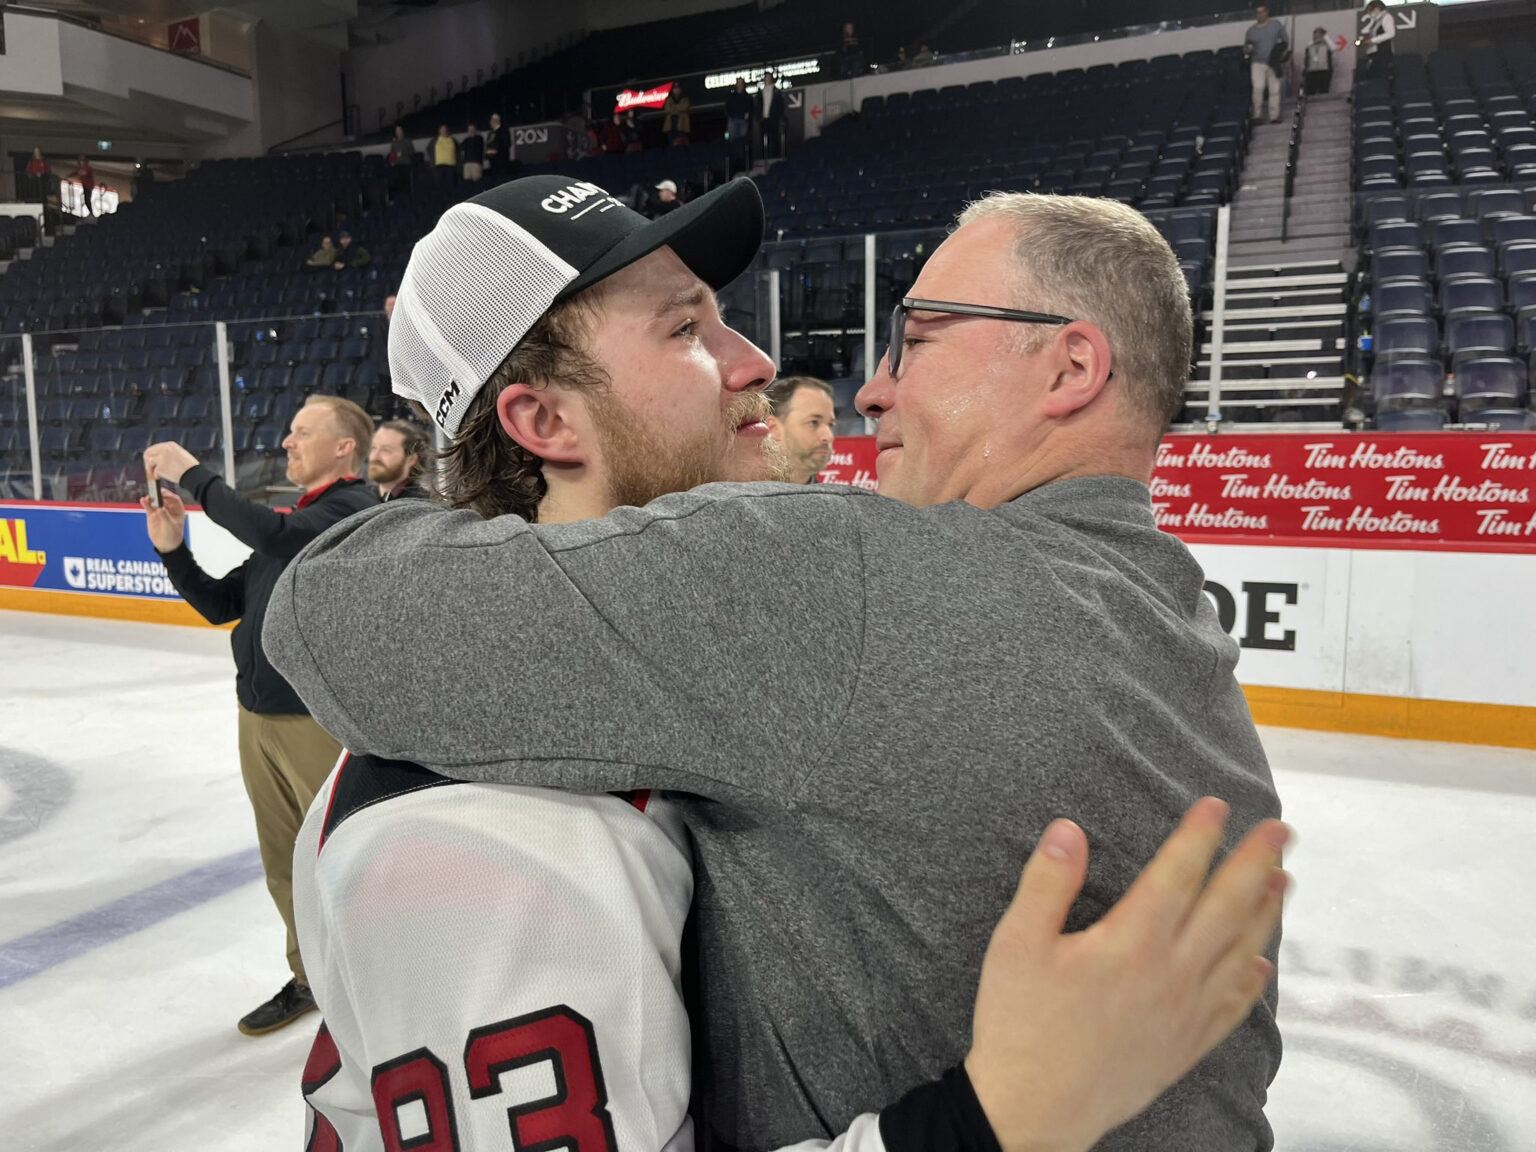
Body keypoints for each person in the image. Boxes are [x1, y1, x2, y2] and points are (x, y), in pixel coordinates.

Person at [267, 176, 1286, 1152]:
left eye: (918, 340)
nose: (859, 386)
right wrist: (980, 1125)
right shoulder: (1172, 617)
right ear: (543, 420)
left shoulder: (841, 581)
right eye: (686, 329)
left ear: (1070, 369)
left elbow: (318, 606)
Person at [141, 396, 378, 1035]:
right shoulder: (298, 520)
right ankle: (310, 977)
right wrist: (173, 549)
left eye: (304, 432)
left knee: (346, 858)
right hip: (259, 719)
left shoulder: (351, 511)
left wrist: (195, 476)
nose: (287, 442)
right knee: (284, 861)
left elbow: (272, 534)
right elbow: (223, 604)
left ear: (343, 448)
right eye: (290, 430)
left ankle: (382, 981)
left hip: (316, 723)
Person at [766, 374, 836, 483]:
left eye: (830, 425)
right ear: (773, 428)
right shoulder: (740, 496)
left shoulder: (833, 499)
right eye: (813, 422)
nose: (828, 436)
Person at [367, 419, 431, 501]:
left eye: (386, 450)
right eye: (374, 448)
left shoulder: (422, 504)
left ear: (411, 459)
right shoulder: (362, 497)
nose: (375, 457)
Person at [1244, 6, 1288, 124]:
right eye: (1258, 13)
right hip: (1257, 63)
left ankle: (1274, 116)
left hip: (1273, 62)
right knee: (1258, 88)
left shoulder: (1276, 25)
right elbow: (1245, 48)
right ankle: (1257, 115)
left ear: (1267, 12)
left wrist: (1283, 56)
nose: (1260, 15)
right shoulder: (1251, 31)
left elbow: (1285, 41)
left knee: (1274, 90)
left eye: (1262, 12)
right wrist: (1249, 49)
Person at [1359, 0, 1395, 81]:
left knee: (1377, 77)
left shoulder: (1387, 17)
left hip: (1382, 52)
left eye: (1370, 10)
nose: (1369, 13)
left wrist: (1372, 40)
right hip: (1375, 53)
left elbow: (1391, 33)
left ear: (1377, 8)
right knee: (1372, 76)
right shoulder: (1376, 21)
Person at [725, 75, 754, 171]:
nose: (740, 85)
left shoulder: (747, 96)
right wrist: (730, 116)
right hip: (733, 121)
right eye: (739, 83)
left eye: (742, 83)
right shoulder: (731, 95)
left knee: (743, 142)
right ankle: (734, 163)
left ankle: (743, 163)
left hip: (743, 121)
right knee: (733, 142)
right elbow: (726, 107)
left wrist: (747, 115)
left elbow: (751, 108)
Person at [759, 72, 788, 161]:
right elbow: (759, 105)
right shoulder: (761, 92)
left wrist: (778, 115)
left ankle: (775, 155)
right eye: (766, 78)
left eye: (769, 78)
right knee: (763, 138)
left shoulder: (776, 91)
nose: (767, 79)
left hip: (774, 117)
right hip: (764, 118)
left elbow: (781, 105)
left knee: (775, 137)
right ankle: (764, 156)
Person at [1303, 27, 1334, 96]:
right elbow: (1307, 59)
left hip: (1324, 71)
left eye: (1319, 35)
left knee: (1323, 92)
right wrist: (1306, 69)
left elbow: (1333, 49)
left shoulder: (1327, 46)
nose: (1316, 37)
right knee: (1310, 92)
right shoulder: (1309, 46)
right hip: (1311, 72)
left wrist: (1325, 39)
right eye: (1315, 35)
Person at [386, 124, 414, 196]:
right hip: (397, 164)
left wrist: (403, 153)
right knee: (395, 179)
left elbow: (412, 152)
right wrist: (392, 160)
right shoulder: (394, 142)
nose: (398, 132)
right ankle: (397, 196)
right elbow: (391, 153)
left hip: (405, 163)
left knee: (405, 181)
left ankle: (407, 196)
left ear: (402, 131)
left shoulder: (407, 141)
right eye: (397, 131)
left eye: (399, 130)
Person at [485, 113, 510, 177]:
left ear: (496, 121)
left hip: (501, 161)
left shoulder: (504, 131)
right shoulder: (490, 133)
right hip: (493, 161)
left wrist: (496, 151)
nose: (490, 122)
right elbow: (488, 145)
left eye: (492, 121)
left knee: (502, 178)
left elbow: (506, 144)